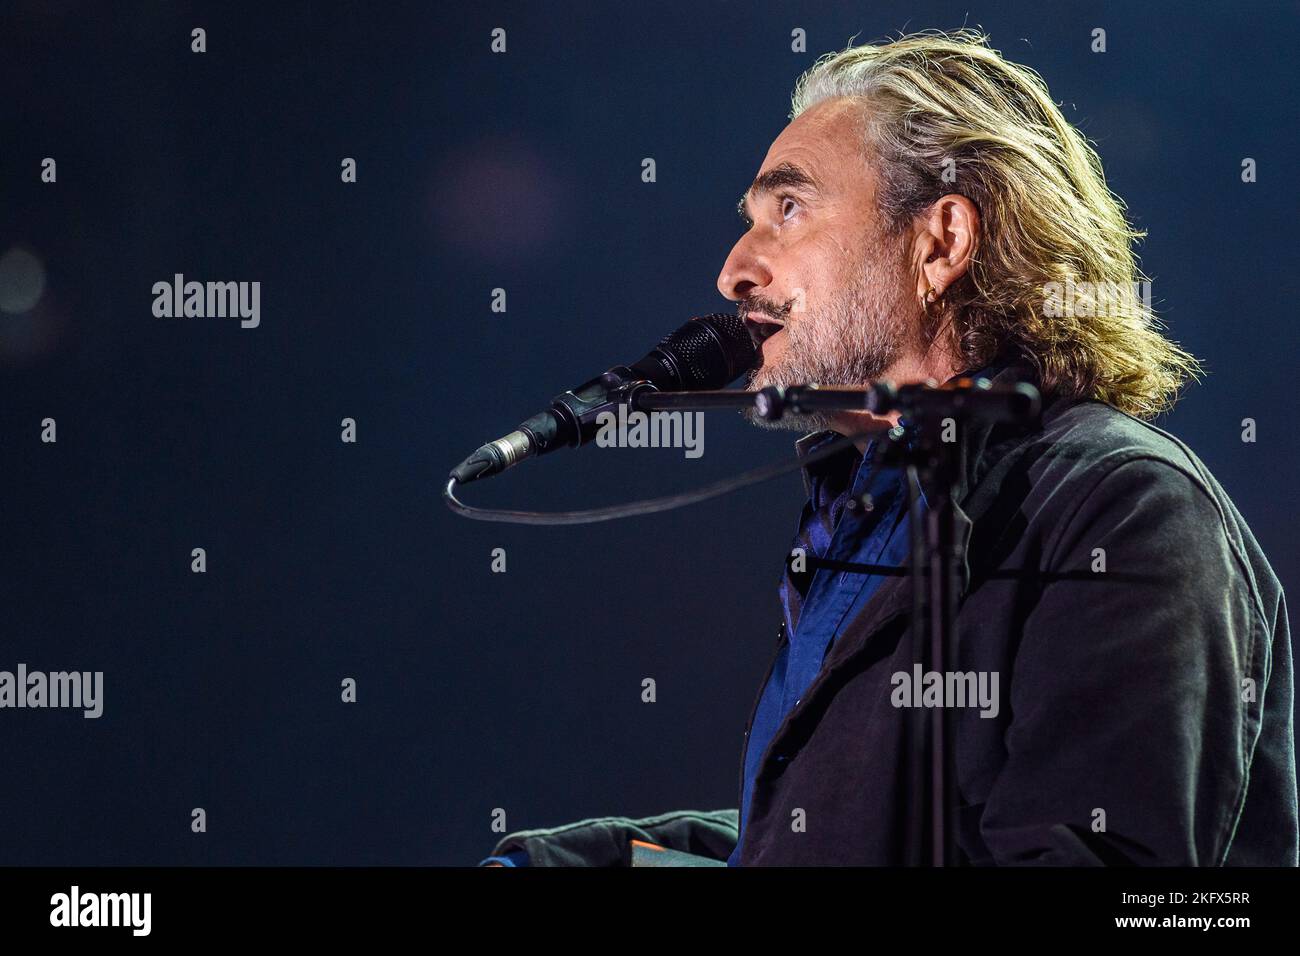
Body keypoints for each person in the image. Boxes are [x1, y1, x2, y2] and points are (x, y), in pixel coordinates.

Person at [481, 29, 1295, 867]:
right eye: (750, 221)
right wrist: (608, 861)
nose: (735, 271)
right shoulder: (864, 509)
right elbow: (865, 835)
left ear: (940, 241)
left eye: (788, 209)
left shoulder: (1126, 509)